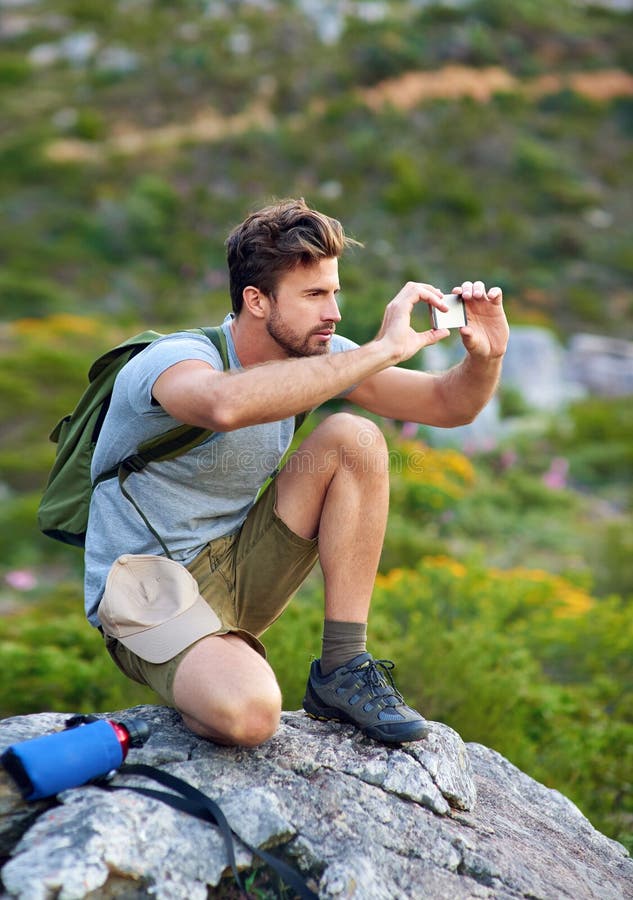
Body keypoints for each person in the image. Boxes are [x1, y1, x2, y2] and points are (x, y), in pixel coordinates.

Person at [87, 198, 509, 748]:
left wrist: (487, 357)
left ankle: (342, 665)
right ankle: (205, 669)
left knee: (354, 438)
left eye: (334, 291)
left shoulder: (321, 353)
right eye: (313, 295)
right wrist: (380, 350)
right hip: (147, 587)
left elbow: (449, 405)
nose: (333, 311)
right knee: (251, 717)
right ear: (256, 300)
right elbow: (222, 405)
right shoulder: (174, 360)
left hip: (238, 563)